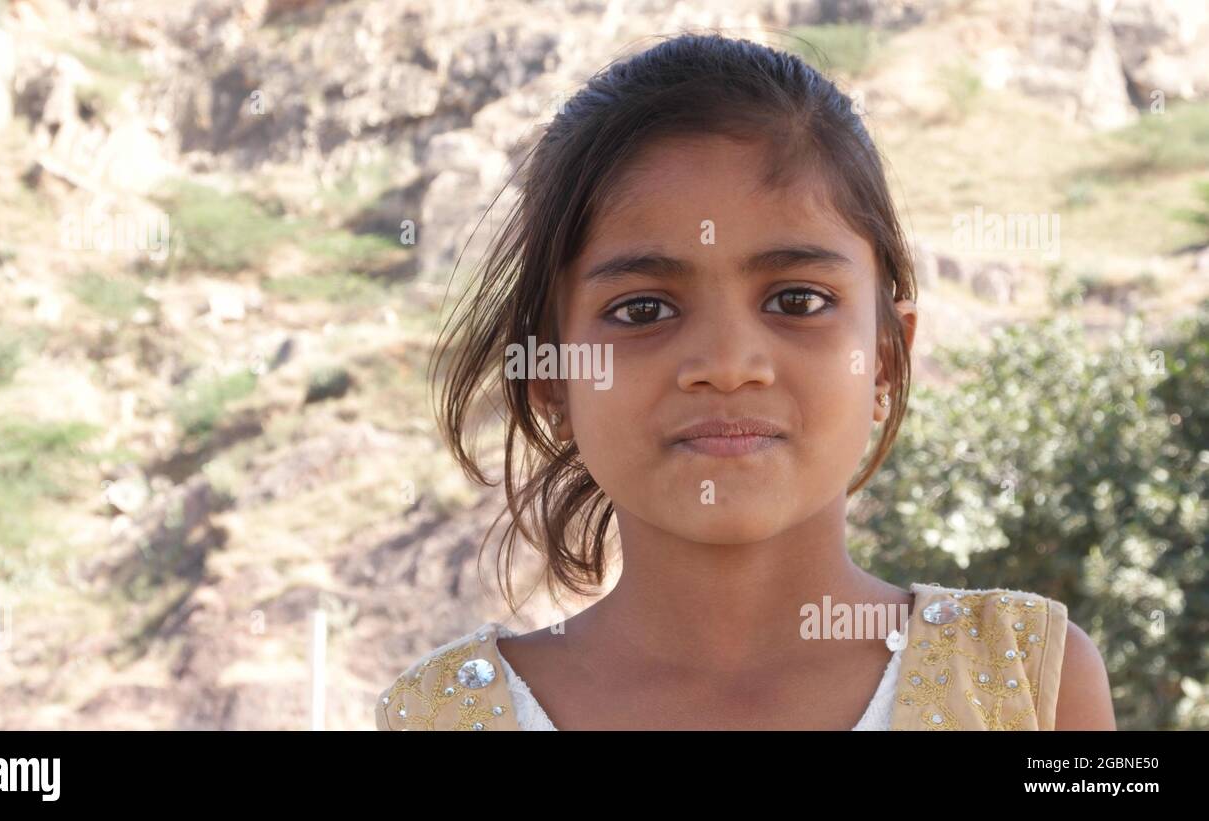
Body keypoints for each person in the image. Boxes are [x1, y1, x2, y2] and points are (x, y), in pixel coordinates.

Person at [375, 32, 1115, 731]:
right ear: (551, 378)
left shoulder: (1031, 683)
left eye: (798, 300)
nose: (728, 364)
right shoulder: (446, 714)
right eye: (642, 309)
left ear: (887, 355)